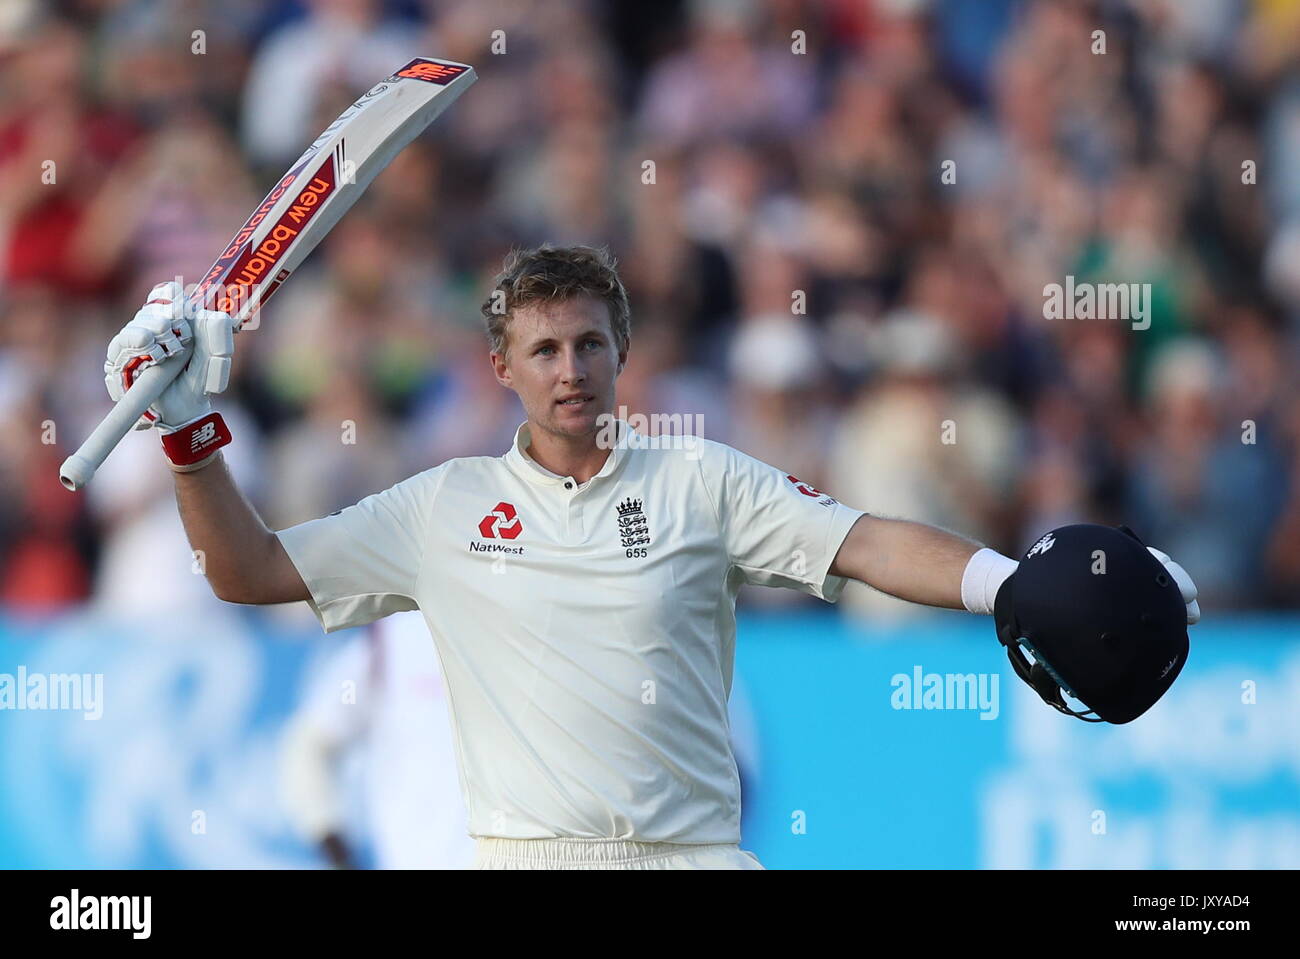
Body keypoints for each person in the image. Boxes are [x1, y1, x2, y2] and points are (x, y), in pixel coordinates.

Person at [102, 245, 1200, 870]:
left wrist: (1007, 582)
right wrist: (191, 435)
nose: (570, 368)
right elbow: (247, 574)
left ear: (622, 351)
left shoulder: (702, 479)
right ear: (502, 365)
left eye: (589, 343)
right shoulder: (443, 507)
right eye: (544, 348)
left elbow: (862, 542)